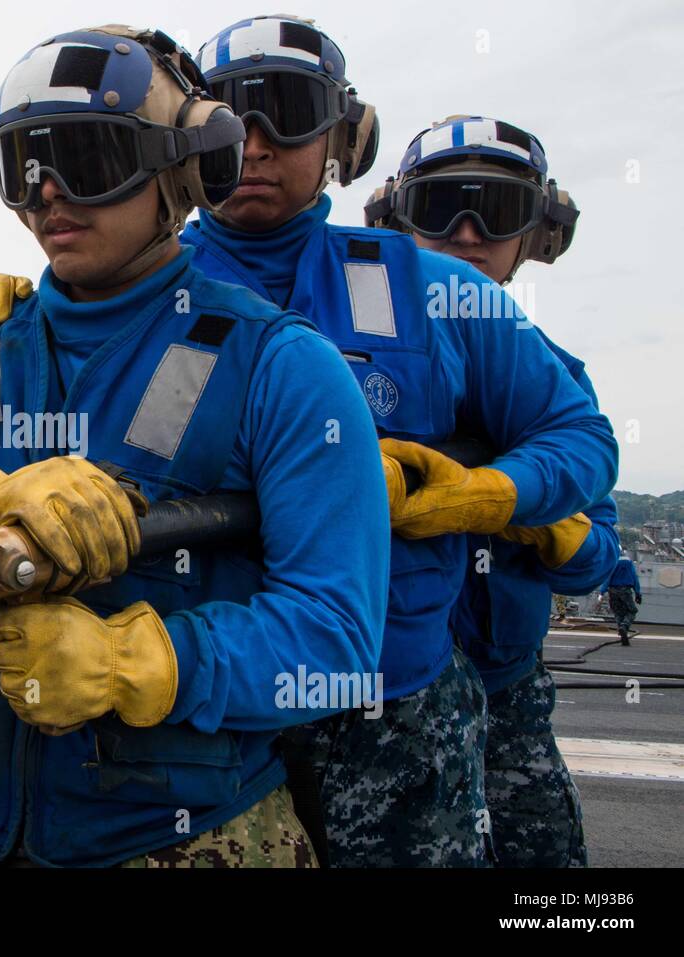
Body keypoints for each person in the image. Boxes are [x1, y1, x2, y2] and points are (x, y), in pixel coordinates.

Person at [0, 24, 389, 868]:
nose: (50, 194)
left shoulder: (279, 365)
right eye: (25, 165)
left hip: (173, 841)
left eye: (86, 160)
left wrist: (141, 663)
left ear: (181, 168)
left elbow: (339, 642)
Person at [176, 15, 618, 866]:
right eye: (230, 118)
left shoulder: (434, 289)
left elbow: (580, 434)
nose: (257, 143)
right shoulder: (139, 299)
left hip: (402, 722)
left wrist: (493, 493)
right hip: (212, 717)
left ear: (343, 138)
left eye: (288, 112)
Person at [366, 115, 619, 867]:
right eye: (442, 206)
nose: (468, 234)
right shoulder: (343, 355)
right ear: (400, 220)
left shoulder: (558, 386)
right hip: (380, 702)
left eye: (496, 210)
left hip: (506, 694)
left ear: (537, 233)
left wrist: (544, 522)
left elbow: (596, 557)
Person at [604, 551, 642, 645]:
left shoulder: (612, 561)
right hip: (625, 590)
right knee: (632, 611)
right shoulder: (628, 562)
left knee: (618, 612)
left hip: (612, 591)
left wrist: (602, 591)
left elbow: (607, 577)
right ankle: (624, 627)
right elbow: (634, 577)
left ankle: (622, 635)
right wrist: (637, 593)